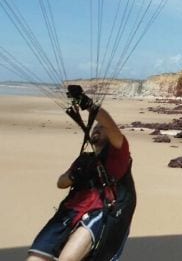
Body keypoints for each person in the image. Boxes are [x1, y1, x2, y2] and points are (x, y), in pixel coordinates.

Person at [27, 86, 136, 261]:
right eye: (95, 127)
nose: (97, 129)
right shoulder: (85, 159)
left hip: (97, 212)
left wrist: (87, 104)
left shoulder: (119, 155)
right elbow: (61, 182)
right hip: (68, 212)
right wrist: (73, 176)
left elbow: (109, 123)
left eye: (102, 128)